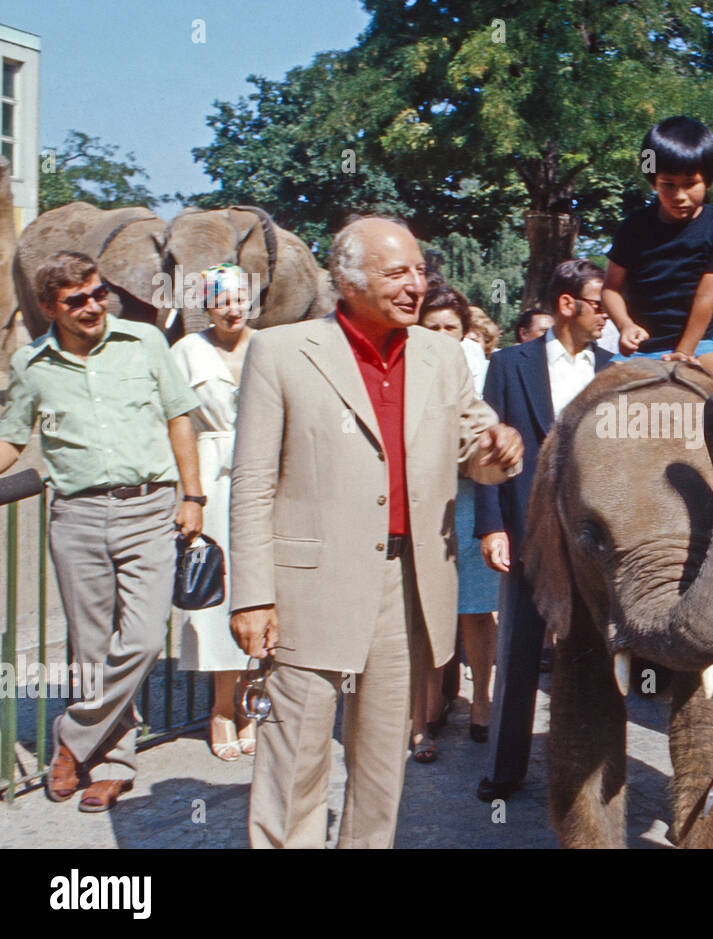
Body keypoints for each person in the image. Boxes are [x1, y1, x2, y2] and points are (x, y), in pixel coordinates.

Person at [228, 217, 522, 849]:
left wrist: (499, 449)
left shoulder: (443, 357)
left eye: (420, 270)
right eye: (397, 273)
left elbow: (476, 449)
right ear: (347, 279)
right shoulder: (281, 352)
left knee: (382, 765)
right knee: (295, 761)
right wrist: (252, 594)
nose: (416, 285)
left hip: (405, 585)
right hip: (305, 589)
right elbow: (250, 483)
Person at [0, 251, 204, 813]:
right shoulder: (31, 365)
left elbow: (178, 417)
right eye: (76, 301)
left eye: (98, 294)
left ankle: (74, 735)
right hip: (77, 517)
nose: (92, 307)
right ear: (48, 308)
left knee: (139, 639)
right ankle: (111, 762)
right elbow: (13, 439)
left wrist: (193, 496)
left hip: (150, 508)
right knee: (91, 648)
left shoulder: (145, 343)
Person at [474, 259, 615, 802]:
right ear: (567, 304)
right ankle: (505, 770)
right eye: (598, 304)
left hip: (595, 537)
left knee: (595, 654)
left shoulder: (613, 369)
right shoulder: (509, 365)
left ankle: (591, 772)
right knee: (518, 652)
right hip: (527, 527)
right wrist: (492, 527)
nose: (605, 314)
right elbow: (487, 448)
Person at [171, 263, 257, 761]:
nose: (232, 307)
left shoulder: (267, 347)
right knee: (215, 594)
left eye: (240, 298)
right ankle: (222, 709)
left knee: (257, 589)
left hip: (259, 474)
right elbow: (174, 420)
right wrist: (190, 494)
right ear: (207, 305)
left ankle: (250, 701)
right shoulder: (186, 351)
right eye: (221, 299)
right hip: (209, 476)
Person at [413, 283, 499, 760]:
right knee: (423, 611)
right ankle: (424, 710)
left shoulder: (483, 372)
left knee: (474, 608)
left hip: (469, 502)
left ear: (466, 331)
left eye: (451, 327)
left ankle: (482, 698)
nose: (442, 336)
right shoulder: (405, 368)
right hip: (422, 502)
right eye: (433, 327)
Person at [601, 115, 713, 389]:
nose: (679, 195)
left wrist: (685, 350)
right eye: (668, 184)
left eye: (690, 184)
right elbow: (610, 288)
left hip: (699, 344)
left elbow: (707, 295)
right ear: (653, 181)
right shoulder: (633, 227)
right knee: (585, 411)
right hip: (641, 347)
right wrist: (625, 326)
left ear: (709, 181)